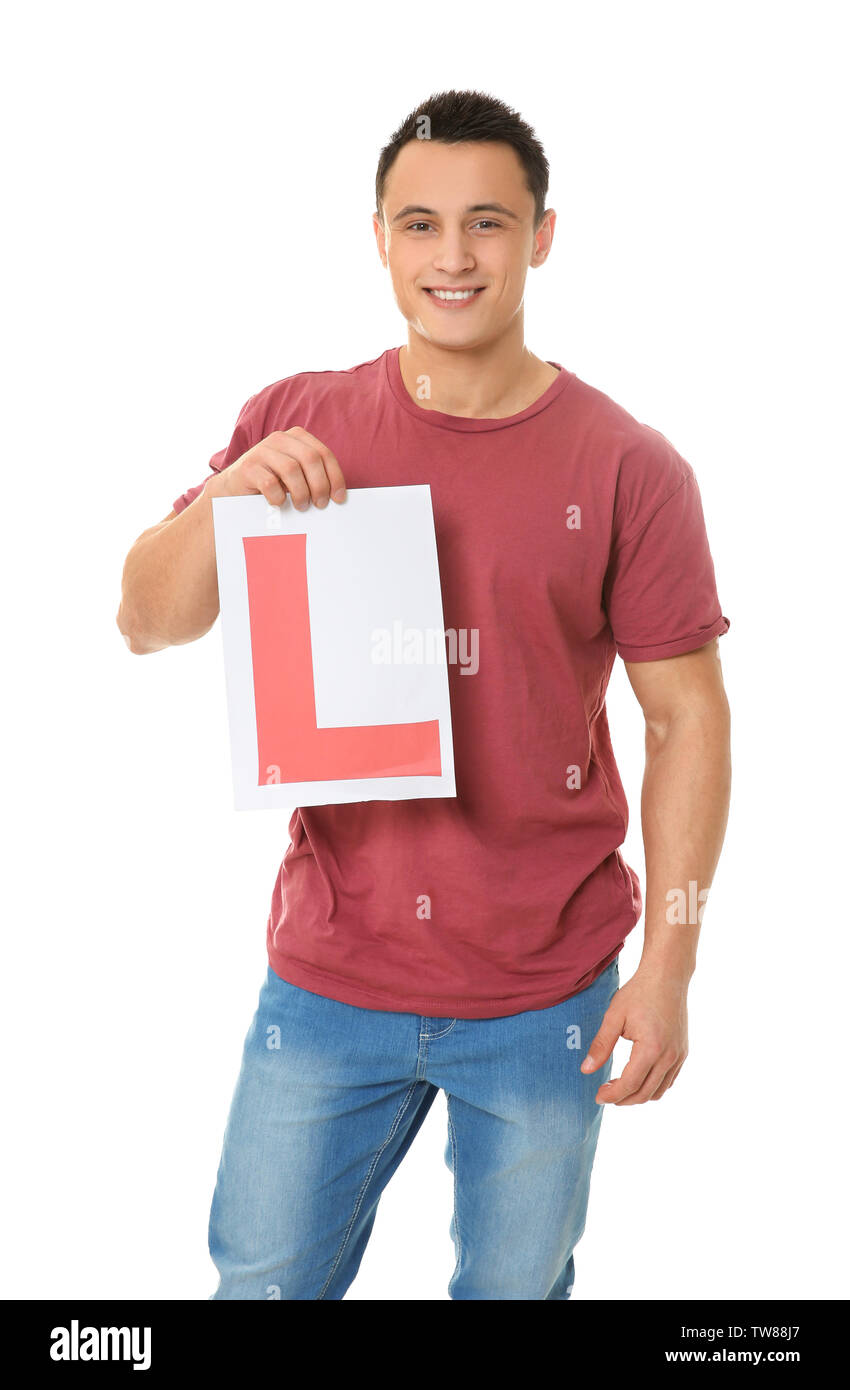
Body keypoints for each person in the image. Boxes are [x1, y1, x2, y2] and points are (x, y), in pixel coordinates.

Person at [116, 89, 732, 1301]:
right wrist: (232, 492)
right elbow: (145, 619)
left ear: (542, 235)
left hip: (543, 990)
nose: (452, 257)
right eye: (420, 225)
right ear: (381, 237)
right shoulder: (296, 422)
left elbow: (686, 720)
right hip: (329, 976)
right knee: (262, 1289)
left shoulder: (629, 465)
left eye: (488, 223)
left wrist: (668, 970)